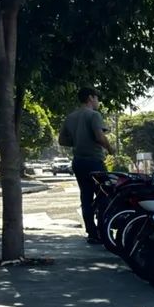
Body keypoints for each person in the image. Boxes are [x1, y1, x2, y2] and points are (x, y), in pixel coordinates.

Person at [58, 87, 113, 244]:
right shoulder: (94, 115)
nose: (98, 102)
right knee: (104, 196)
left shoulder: (71, 117)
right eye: (97, 98)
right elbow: (100, 137)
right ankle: (103, 231)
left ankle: (91, 232)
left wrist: (77, 141)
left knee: (86, 196)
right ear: (90, 98)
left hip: (78, 161)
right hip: (94, 161)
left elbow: (62, 141)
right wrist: (110, 148)